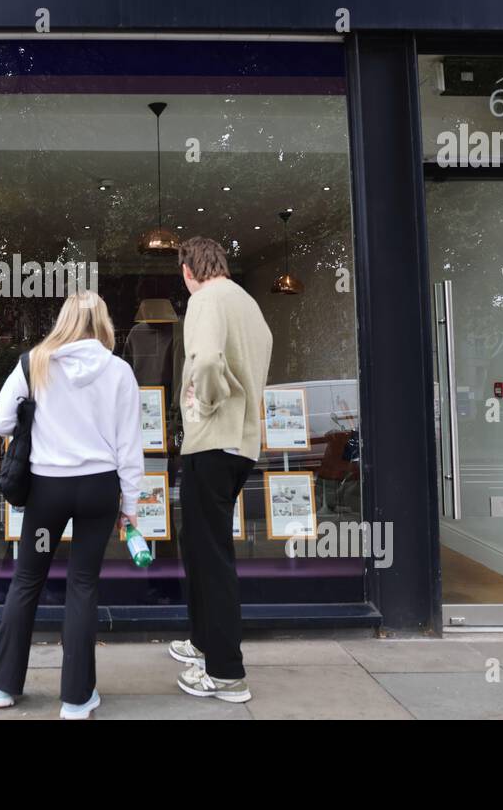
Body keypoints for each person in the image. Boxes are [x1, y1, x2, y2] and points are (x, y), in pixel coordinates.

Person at [0, 290, 143, 719]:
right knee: (83, 584)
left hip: (48, 493)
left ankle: (0, 687)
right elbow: (129, 446)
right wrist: (132, 505)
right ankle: (76, 698)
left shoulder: (35, 362)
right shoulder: (119, 371)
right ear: (102, 321)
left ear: (64, 319)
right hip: (98, 492)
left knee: (28, 579)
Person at [171, 236, 272, 703]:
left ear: (189, 270)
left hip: (212, 441)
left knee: (208, 555)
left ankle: (227, 673)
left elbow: (208, 360)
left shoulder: (206, 300)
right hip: (242, 443)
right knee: (203, 546)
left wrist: (204, 402)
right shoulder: (248, 304)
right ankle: (202, 643)